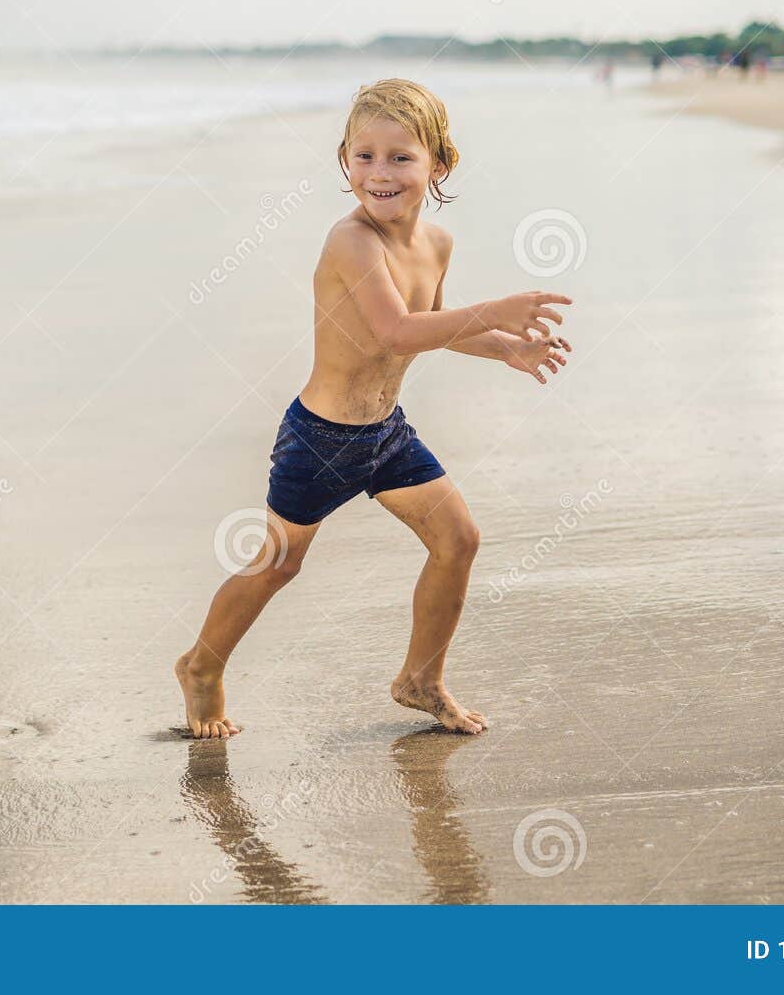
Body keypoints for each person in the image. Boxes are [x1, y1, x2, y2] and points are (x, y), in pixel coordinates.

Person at [175, 79, 574, 739]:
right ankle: (201, 666)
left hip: (386, 434)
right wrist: (495, 309)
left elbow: (431, 322)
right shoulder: (351, 240)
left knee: (458, 538)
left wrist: (505, 346)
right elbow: (393, 332)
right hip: (320, 439)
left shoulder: (436, 244)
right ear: (344, 161)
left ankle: (421, 678)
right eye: (364, 156)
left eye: (400, 157)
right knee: (279, 564)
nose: (380, 173)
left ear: (439, 164)